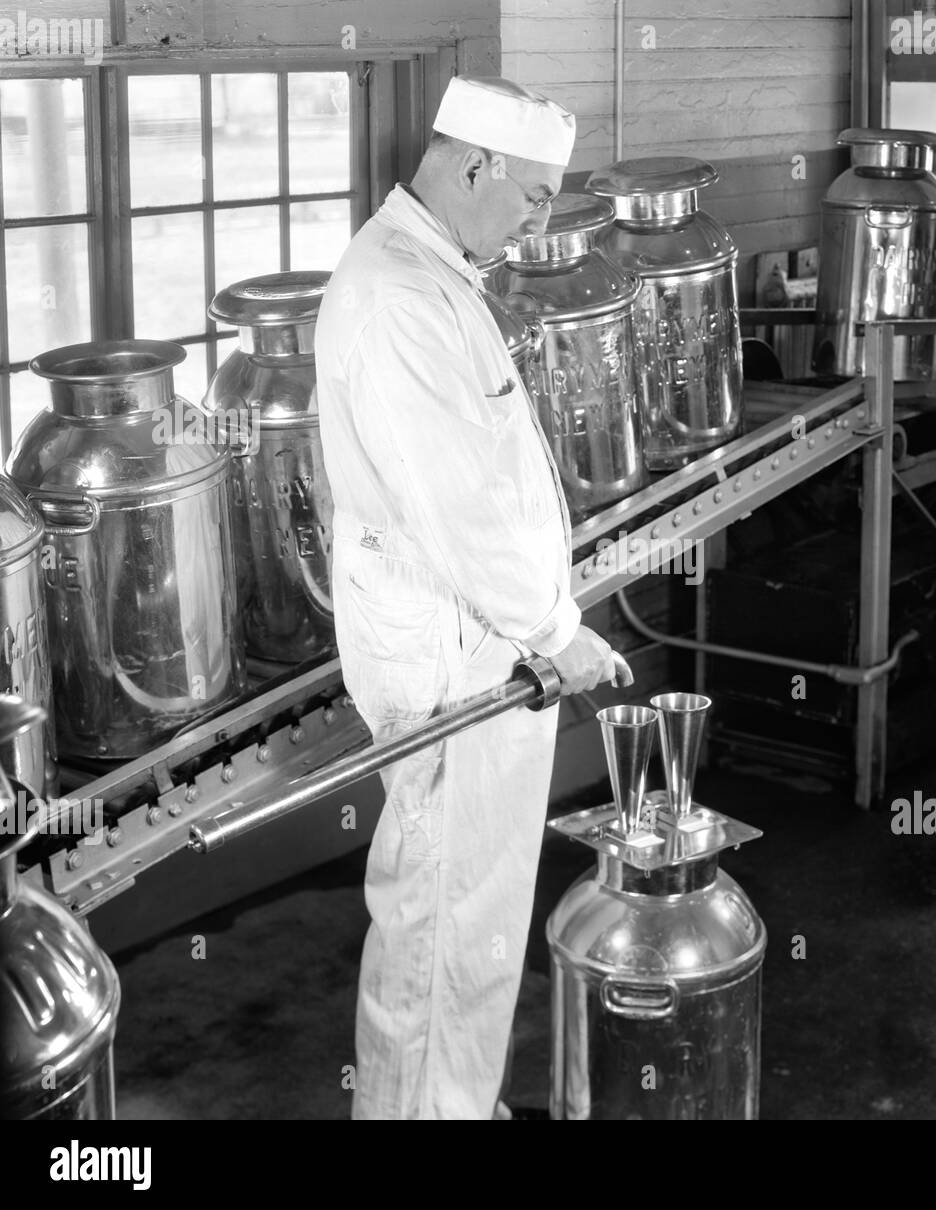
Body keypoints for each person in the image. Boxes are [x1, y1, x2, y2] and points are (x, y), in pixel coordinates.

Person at [316, 75, 630, 1120]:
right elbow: (461, 508)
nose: (540, 219)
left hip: (480, 647)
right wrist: (558, 631)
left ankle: (455, 1103)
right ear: (471, 166)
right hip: (456, 658)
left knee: (475, 902)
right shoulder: (400, 295)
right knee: (443, 916)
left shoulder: (436, 273)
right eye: (534, 195)